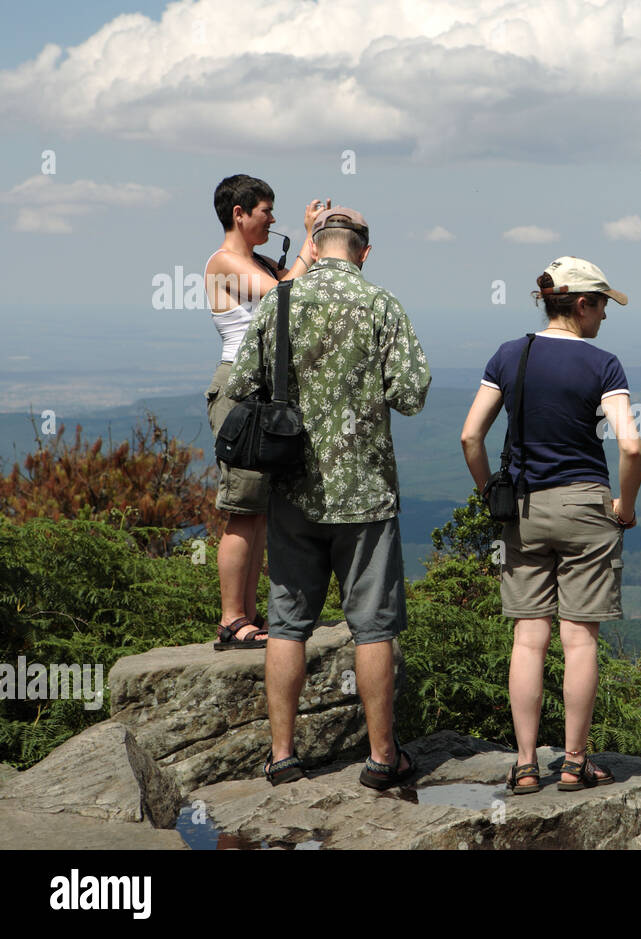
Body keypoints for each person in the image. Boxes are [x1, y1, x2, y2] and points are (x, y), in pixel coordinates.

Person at [224, 207, 431, 788]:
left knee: (289, 625)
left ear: (316, 247)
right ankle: (383, 758)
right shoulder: (381, 305)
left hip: (292, 490)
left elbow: (241, 385)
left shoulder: (282, 302)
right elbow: (411, 394)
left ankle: (283, 755)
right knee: (374, 628)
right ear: (364, 252)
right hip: (366, 493)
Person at [460, 256, 641, 794]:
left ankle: (523, 765)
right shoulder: (603, 364)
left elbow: (471, 437)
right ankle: (573, 762)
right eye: (604, 304)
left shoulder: (509, 354)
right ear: (582, 303)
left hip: (523, 509)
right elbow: (629, 443)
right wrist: (624, 507)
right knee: (580, 642)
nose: (606, 316)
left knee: (528, 639)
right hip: (587, 506)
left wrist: (488, 492)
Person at [203, 174, 330, 649]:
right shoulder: (225, 262)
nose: (271, 220)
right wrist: (308, 245)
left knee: (258, 511)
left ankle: (249, 614)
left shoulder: (251, 260)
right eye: (265, 212)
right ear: (240, 213)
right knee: (242, 510)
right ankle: (233, 618)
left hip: (260, 392)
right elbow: (284, 299)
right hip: (239, 389)